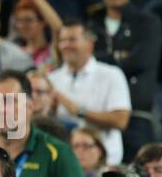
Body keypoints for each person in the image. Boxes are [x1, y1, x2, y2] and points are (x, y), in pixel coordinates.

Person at [47, 20, 131, 165]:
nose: (65, 45)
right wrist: (50, 111)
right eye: (62, 40)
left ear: (90, 44)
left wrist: (79, 111)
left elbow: (121, 120)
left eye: (72, 40)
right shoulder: (51, 79)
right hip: (62, 163)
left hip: (105, 163)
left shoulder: (111, 75)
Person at [88, 0, 162, 121]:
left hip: (136, 111)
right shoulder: (92, 23)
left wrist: (101, 60)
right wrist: (118, 56)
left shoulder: (147, 22)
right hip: (97, 111)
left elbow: (141, 60)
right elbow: (86, 60)